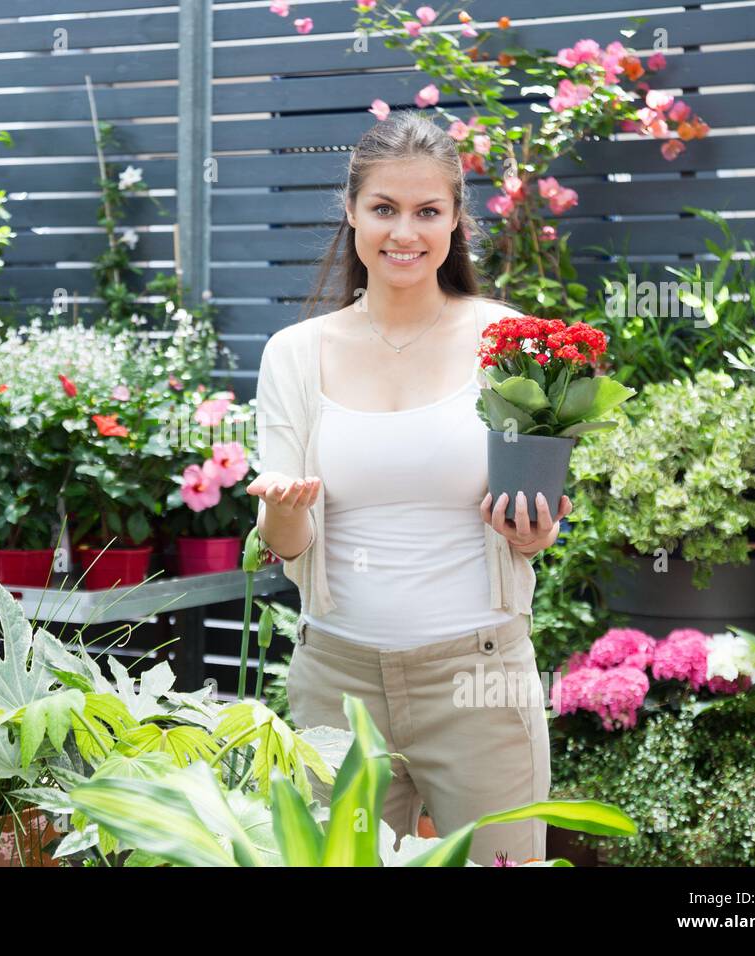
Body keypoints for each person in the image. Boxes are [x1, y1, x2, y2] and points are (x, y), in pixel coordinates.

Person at [247, 109, 572, 866]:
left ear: (456, 219)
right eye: (384, 209)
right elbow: (286, 544)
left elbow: (535, 513)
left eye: (428, 211)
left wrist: (533, 533)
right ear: (351, 213)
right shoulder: (295, 355)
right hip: (337, 682)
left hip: (480, 680)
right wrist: (283, 513)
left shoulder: (510, 341)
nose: (405, 232)